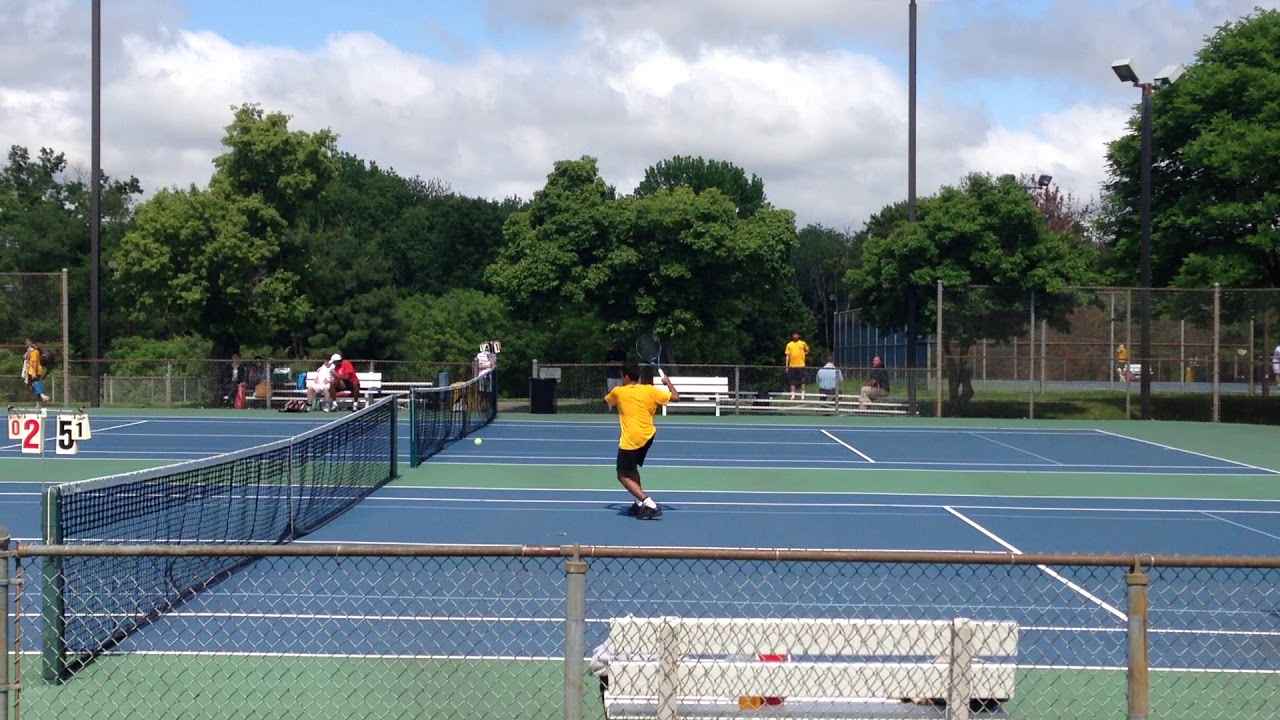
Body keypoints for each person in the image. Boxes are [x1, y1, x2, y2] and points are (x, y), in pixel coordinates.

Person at [604, 365, 679, 520]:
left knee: (622, 476)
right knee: (632, 470)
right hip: (648, 436)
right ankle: (639, 502)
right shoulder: (650, 390)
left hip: (631, 439)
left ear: (625, 377)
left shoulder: (619, 391)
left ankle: (649, 503)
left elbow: (607, 401)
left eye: (621, 376)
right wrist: (667, 382)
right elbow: (676, 397)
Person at [21, 337, 50, 407]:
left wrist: (34, 373)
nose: (26, 342)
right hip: (30, 370)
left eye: (27, 341)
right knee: (32, 386)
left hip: (34, 371)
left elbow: (34, 363)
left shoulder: (34, 351)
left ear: (30, 342)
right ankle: (42, 397)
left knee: (36, 385)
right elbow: (26, 357)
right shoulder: (29, 350)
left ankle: (40, 401)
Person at [784, 331, 809, 399]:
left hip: (801, 365)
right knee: (792, 381)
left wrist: (804, 354)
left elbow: (807, 350)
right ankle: (793, 395)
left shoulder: (802, 343)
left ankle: (802, 395)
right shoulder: (789, 345)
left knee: (802, 380)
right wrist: (786, 366)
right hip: (792, 365)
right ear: (792, 336)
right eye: (794, 335)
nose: (795, 336)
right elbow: (787, 356)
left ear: (799, 336)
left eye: (796, 335)